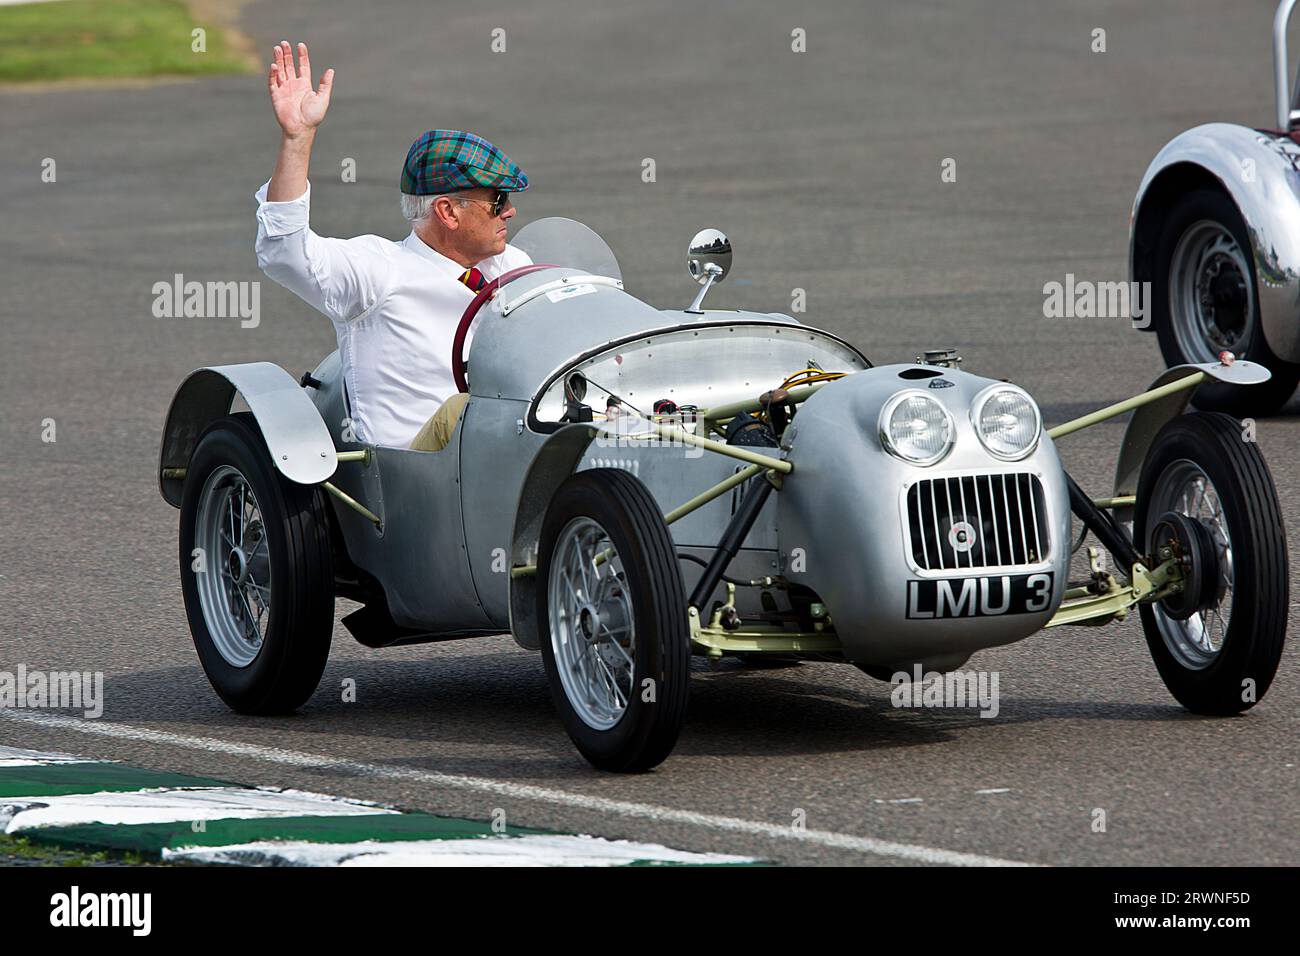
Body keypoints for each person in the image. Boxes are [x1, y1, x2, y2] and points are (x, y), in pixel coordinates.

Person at [253, 41, 531, 452]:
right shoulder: (380, 271)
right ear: (448, 212)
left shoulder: (514, 265)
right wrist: (298, 138)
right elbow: (286, 254)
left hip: (504, 444)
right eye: (497, 201)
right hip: (421, 469)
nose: (509, 211)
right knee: (467, 410)